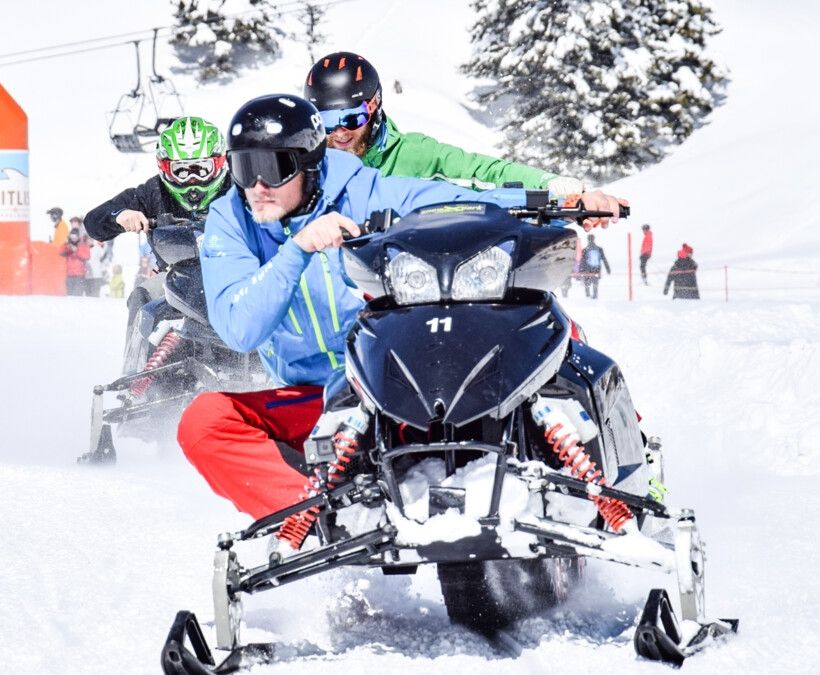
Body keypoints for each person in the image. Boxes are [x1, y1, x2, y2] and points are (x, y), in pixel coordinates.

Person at [176, 94, 626, 521]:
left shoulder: (363, 192)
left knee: (538, 347)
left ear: (309, 163)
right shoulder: (230, 220)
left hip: (400, 388)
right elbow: (239, 328)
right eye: (242, 168)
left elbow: (450, 196)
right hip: (320, 401)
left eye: (274, 169)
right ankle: (323, 521)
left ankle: (589, 486)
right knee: (204, 423)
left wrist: (566, 203)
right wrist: (297, 249)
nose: (256, 186)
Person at [303, 51, 587, 200]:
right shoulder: (311, 166)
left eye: (352, 118)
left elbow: (481, 173)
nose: (339, 132)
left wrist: (548, 185)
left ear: (373, 106)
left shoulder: (411, 154)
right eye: (327, 121)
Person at [84, 116, 232, 324]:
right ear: (165, 168)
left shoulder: (240, 186)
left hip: (238, 271)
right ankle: (136, 356)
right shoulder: (153, 192)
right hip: (174, 278)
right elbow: (93, 222)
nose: (191, 180)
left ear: (218, 163)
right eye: (181, 171)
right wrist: (120, 215)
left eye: (201, 169)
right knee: (141, 298)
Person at [58, 227, 90, 296]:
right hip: (69, 275)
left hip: (79, 276)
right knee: (69, 296)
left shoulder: (83, 245)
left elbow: (86, 256)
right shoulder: (68, 245)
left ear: (78, 236)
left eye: (75, 236)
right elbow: (60, 252)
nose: (73, 238)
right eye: (72, 236)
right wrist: (65, 244)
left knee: (77, 296)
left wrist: (76, 251)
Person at [579, 234, 611, 299]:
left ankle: (588, 297)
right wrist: (608, 269)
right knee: (595, 285)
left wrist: (581, 270)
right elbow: (604, 259)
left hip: (587, 271)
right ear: (594, 239)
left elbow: (582, 261)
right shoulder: (599, 249)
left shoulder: (585, 250)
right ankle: (595, 297)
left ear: (588, 240)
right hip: (596, 270)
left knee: (587, 285)